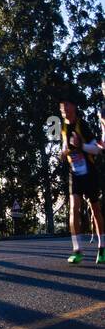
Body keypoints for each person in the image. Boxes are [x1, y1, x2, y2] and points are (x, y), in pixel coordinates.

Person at [59, 98, 104, 264]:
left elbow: (97, 150)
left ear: (74, 107)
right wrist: (63, 153)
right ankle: (77, 250)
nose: (65, 110)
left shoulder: (82, 125)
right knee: (74, 209)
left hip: (89, 173)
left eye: (67, 106)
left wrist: (81, 146)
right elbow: (65, 146)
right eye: (62, 108)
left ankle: (102, 248)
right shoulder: (63, 127)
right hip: (75, 173)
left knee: (95, 209)